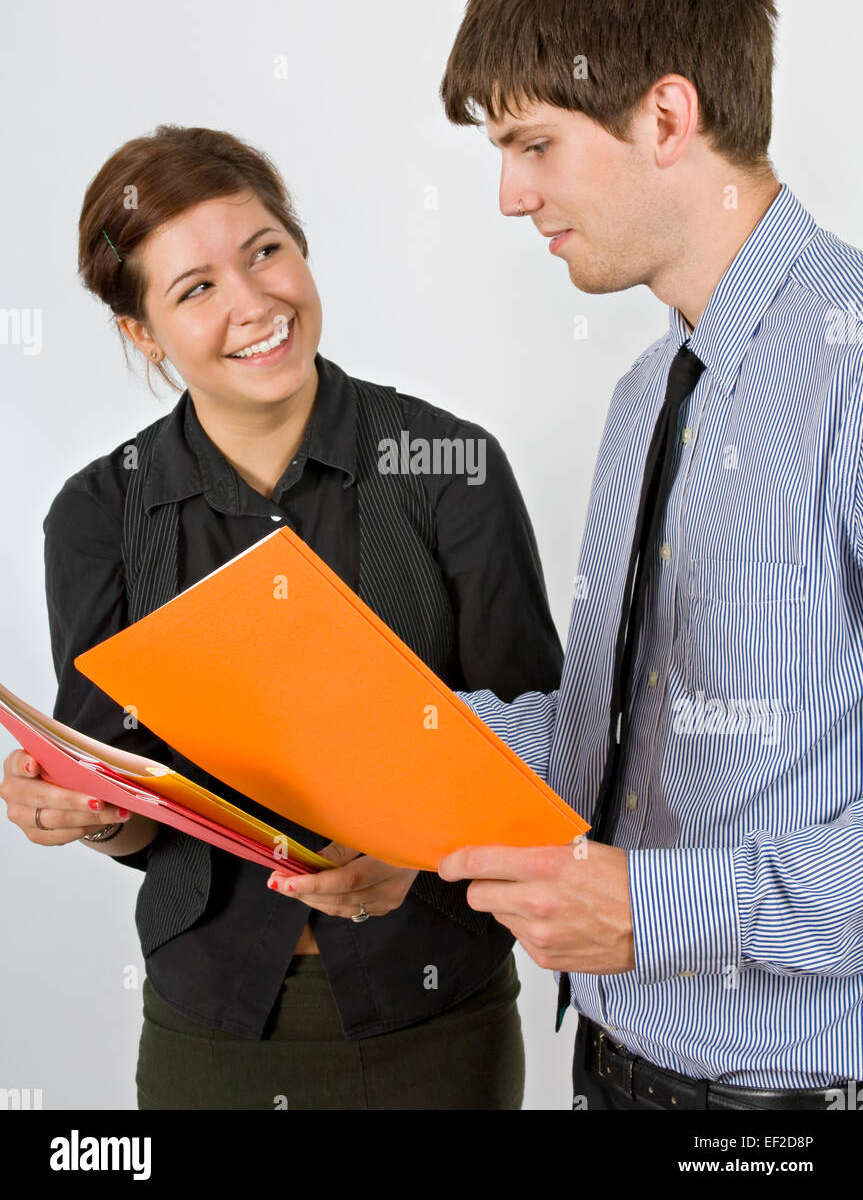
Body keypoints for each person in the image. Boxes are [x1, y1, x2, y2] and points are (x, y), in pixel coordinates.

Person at [0, 124, 564, 1110]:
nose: (256, 303)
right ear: (142, 332)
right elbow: (129, 810)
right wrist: (77, 809)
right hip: (213, 1021)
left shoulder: (450, 468)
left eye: (264, 250)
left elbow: (538, 762)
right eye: (194, 288)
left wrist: (410, 850)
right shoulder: (97, 514)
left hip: (436, 1012)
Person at [430, 0, 863, 1110]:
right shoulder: (645, 391)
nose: (512, 197)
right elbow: (615, 731)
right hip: (613, 1063)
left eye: (531, 143)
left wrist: (660, 907)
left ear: (663, 116)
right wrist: (374, 749)